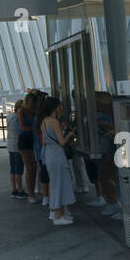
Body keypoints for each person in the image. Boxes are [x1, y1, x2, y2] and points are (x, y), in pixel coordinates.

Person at [40, 96, 76, 225]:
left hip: (49, 154)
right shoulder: (54, 122)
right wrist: (70, 134)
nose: (61, 108)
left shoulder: (44, 121)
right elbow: (62, 142)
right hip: (57, 155)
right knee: (60, 183)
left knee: (55, 184)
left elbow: (44, 141)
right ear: (55, 107)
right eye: (59, 106)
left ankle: (58, 213)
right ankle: (58, 216)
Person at [16, 93, 37, 199]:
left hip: (32, 139)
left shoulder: (33, 112)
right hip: (24, 140)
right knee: (29, 168)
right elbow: (22, 128)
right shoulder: (21, 111)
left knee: (34, 167)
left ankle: (32, 190)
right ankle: (31, 194)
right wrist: (35, 129)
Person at [5, 103, 24, 197]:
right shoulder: (18, 117)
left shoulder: (9, 116)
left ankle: (14, 189)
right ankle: (20, 190)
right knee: (18, 169)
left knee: (12, 169)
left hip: (10, 144)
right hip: (17, 144)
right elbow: (20, 130)